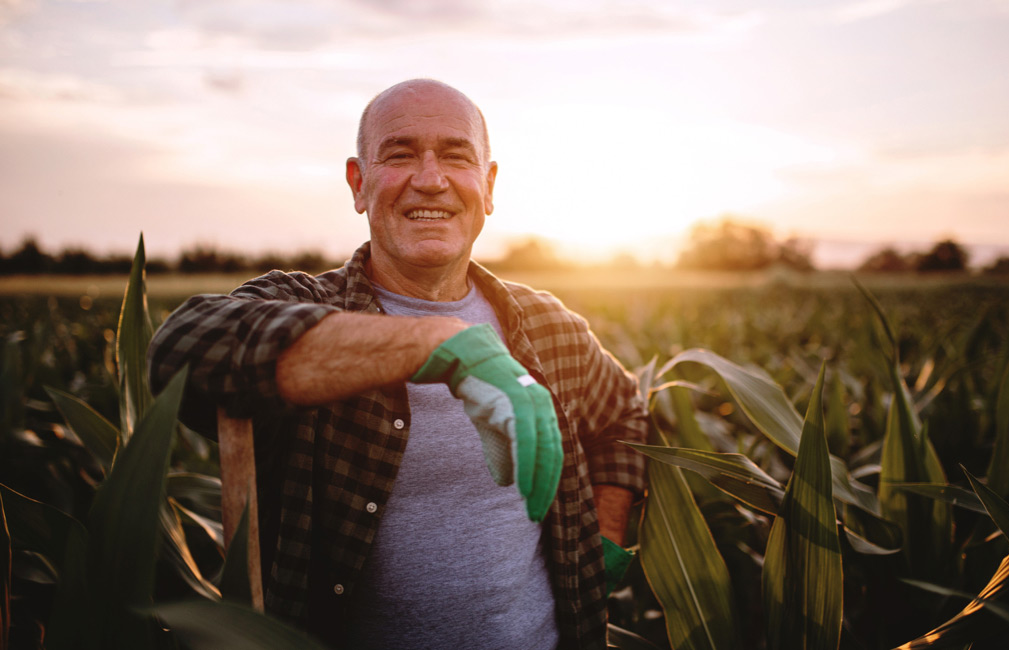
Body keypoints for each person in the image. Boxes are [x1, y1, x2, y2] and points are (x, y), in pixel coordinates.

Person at [148, 79, 648, 649]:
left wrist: (602, 539)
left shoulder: (548, 326)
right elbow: (179, 351)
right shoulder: (305, 306)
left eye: (456, 156)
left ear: (487, 187)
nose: (430, 179)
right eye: (400, 154)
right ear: (359, 184)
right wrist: (434, 345)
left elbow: (623, 417)